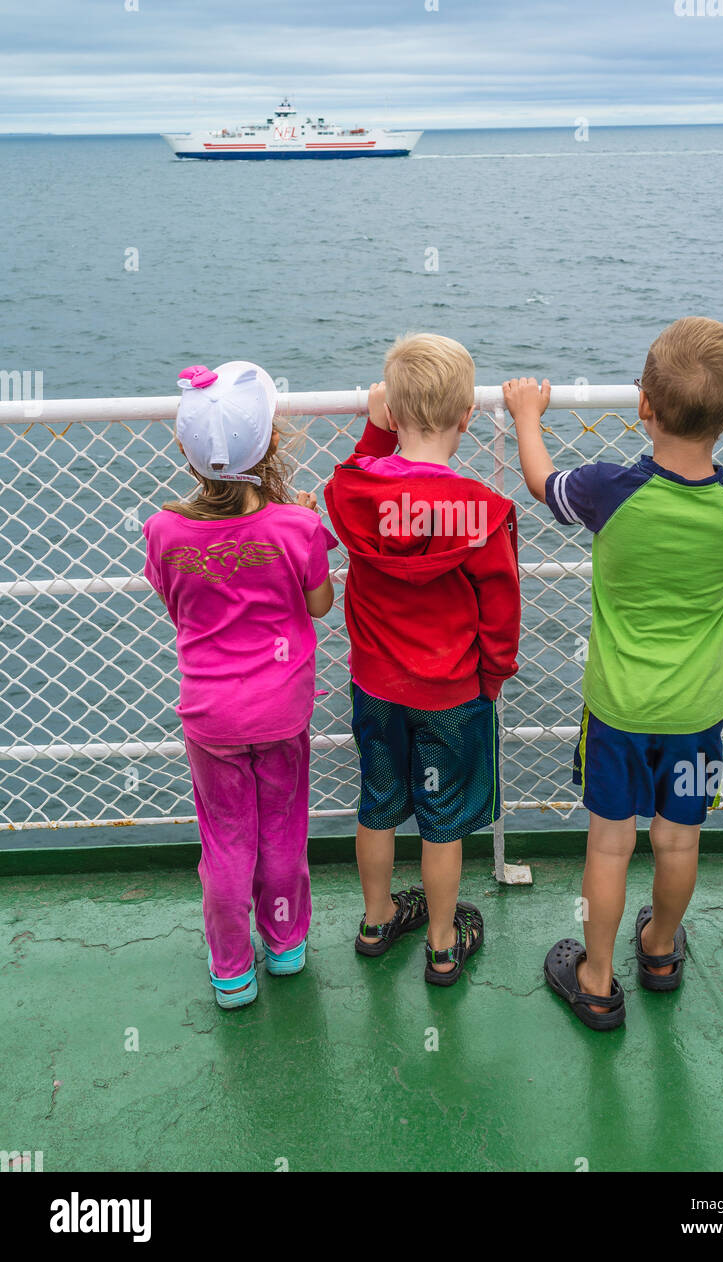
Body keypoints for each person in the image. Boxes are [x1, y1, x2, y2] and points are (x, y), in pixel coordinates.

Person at [503, 317, 723, 1030]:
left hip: (619, 709)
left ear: (644, 406)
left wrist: (526, 415)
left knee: (610, 842)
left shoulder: (610, 489)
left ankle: (596, 980)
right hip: (697, 712)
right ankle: (659, 950)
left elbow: (543, 484)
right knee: (678, 838)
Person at [325, 333, 521, 984]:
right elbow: (501, 610)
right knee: (441, 824)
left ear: (394, 412)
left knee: (377, 804)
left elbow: (350, 481)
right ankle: (442, 944)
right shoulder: (481, 514)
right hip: (452, 696)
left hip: (376, 687)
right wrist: (491, 678)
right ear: (467, 418)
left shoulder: (351, 493)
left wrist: (377, 433)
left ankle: (377, 919)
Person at [142, 361, 336, 1009]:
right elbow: (318, 606)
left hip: (210, 714)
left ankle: (232, 969)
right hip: (281, 711)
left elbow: (180, 608)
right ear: (273, 442)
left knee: (227, 840)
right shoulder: (298, 527)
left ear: (185, 451)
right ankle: (284, 944)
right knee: (282, 828)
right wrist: (301, 523)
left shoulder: (164, 532)